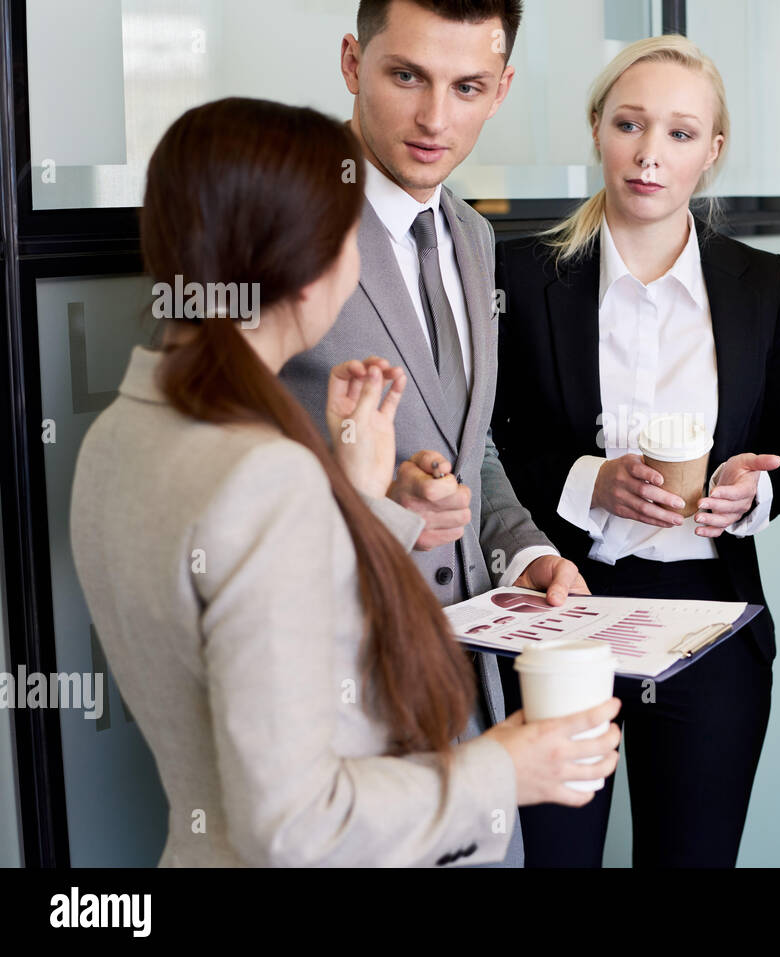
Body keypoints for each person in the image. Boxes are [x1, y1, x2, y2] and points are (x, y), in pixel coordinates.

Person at [68, 97, 620, 867]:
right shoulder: (266, 474)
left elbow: (260, 632)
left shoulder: (120, 433)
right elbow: (295, 822)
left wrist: (370, 505)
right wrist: (507, 768)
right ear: (308, 265)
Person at [492, 35, 780, 867]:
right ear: (598, 128)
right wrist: (586, 482)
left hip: (709, 614)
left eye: (679, 133)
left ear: (711, 153)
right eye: (629, 124)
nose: (648, 154)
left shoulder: (759, 282)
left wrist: (755, 493)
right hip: (563, 607)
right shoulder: (520, 277)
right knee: (556, 858)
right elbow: (489, 444)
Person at [278, 0, 588, 866]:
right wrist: (371, 490)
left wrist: (524, 551)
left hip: (471, 702)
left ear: (503, 90)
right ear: (351, 61)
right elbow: (208, 461)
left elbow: (470, 446)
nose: (434, 119)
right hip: (333, 706)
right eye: (406, 75)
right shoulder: (273, 221)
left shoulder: (475, 236)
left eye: (468, 87)